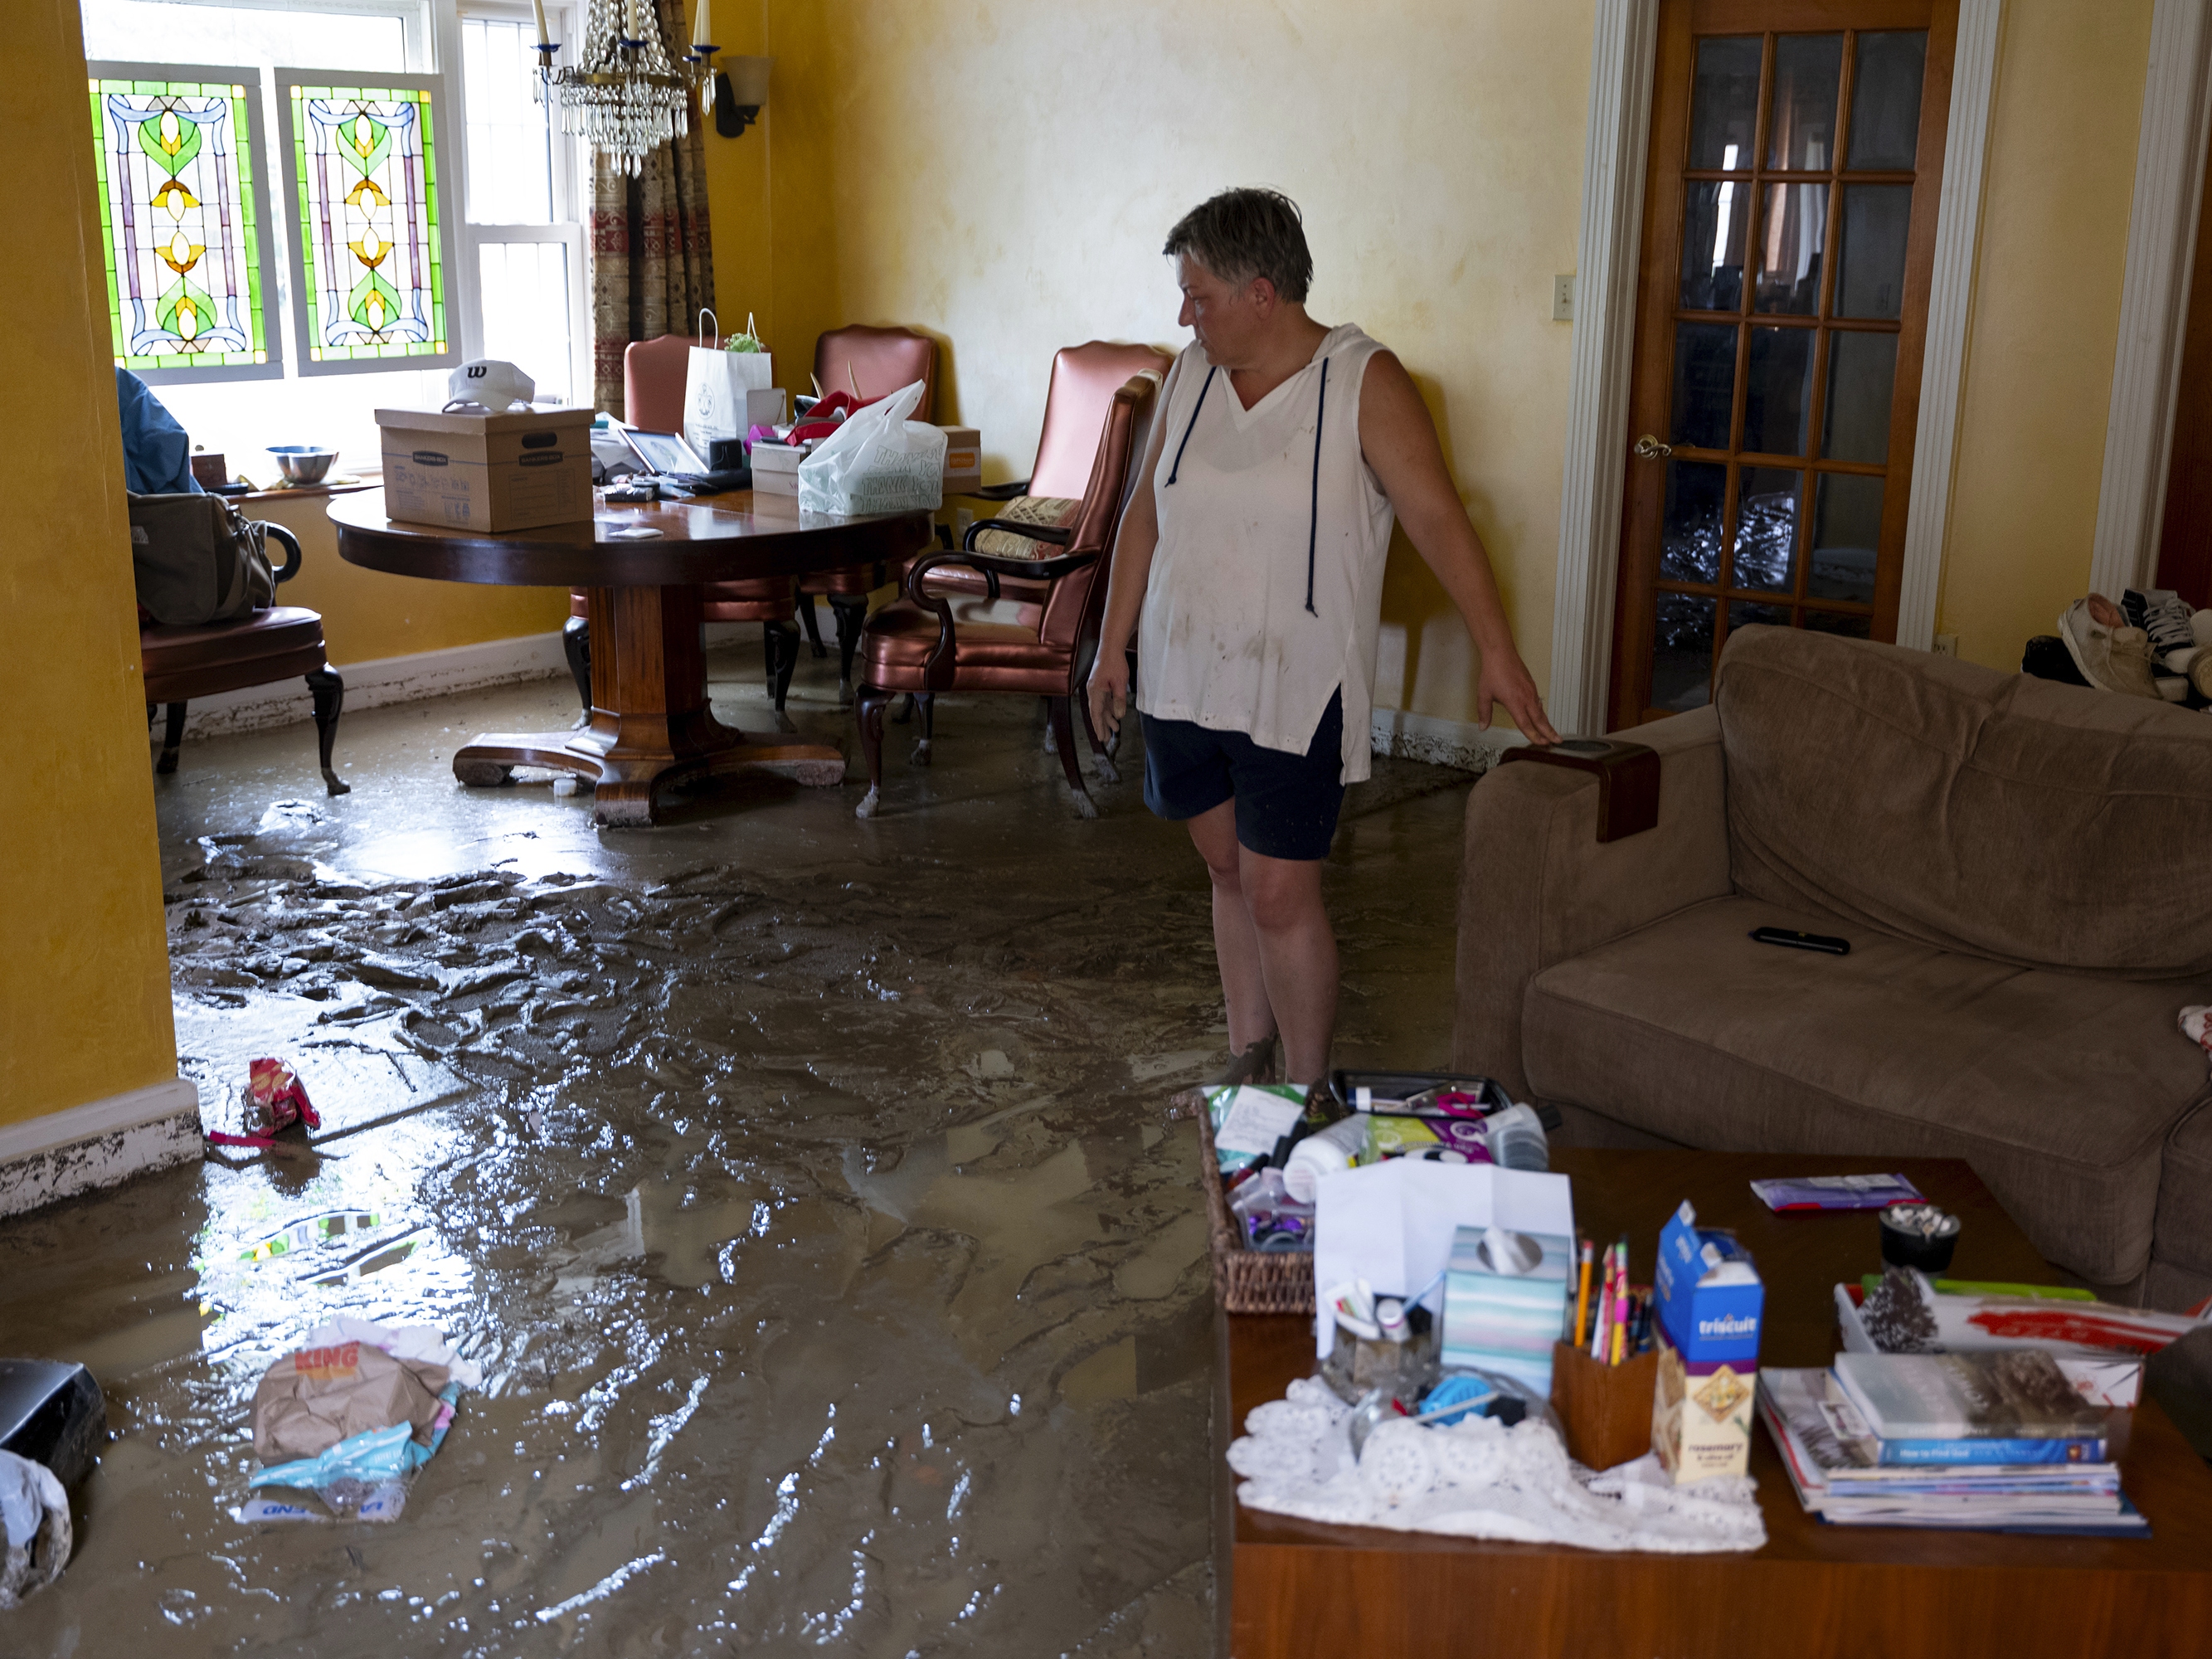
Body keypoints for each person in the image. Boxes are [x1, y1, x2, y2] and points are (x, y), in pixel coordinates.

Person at [1087, 187, 1559, 1092]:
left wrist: (1497, 648)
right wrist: (1114, 646)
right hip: (1184, 675)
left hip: (1294, 687)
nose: (1185, 314)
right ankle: (1247, 1050)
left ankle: (1307, 1083)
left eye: (1200, 296)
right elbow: (1146, 513)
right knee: (1226, 871)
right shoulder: (1189, 375)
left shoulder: (1363, 381)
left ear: (1263, 292)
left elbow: (1439, 519)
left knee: (1278, 892)